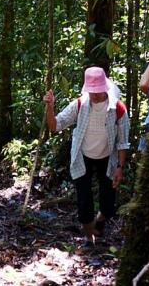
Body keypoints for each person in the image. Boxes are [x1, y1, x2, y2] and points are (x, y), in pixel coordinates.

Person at [43, 66, 130, 246]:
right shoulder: (80, 104)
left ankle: (99, 223)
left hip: (107, 157)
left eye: (98, 91)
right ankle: (89, 238)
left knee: (108, 204)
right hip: (82, 156)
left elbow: (123, 141)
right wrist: (50, 107)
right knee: (84, 201)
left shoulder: (118, 109)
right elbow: (55, 125)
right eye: (92, 91)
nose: (95, 95)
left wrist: (120, 168)